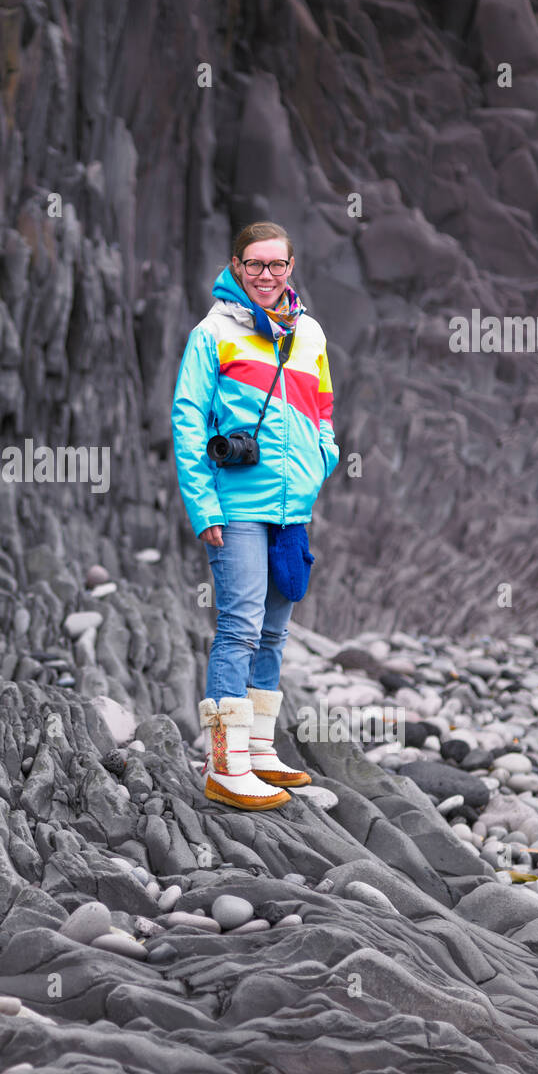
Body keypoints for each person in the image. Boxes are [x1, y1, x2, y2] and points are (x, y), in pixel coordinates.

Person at [171, 221, 340, 810]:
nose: (266, 276)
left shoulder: (311, 334)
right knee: (240, 625)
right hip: (237, 505)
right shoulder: (212, 333)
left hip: (294, 505)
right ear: (236, 267)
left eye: (277, 266)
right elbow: (188, 421)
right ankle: (225, 766)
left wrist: (323, 460)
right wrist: (203, 506)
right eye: (255, 266)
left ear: (290, 267)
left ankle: (260, 750)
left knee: (275, 627)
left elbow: (322, 411)